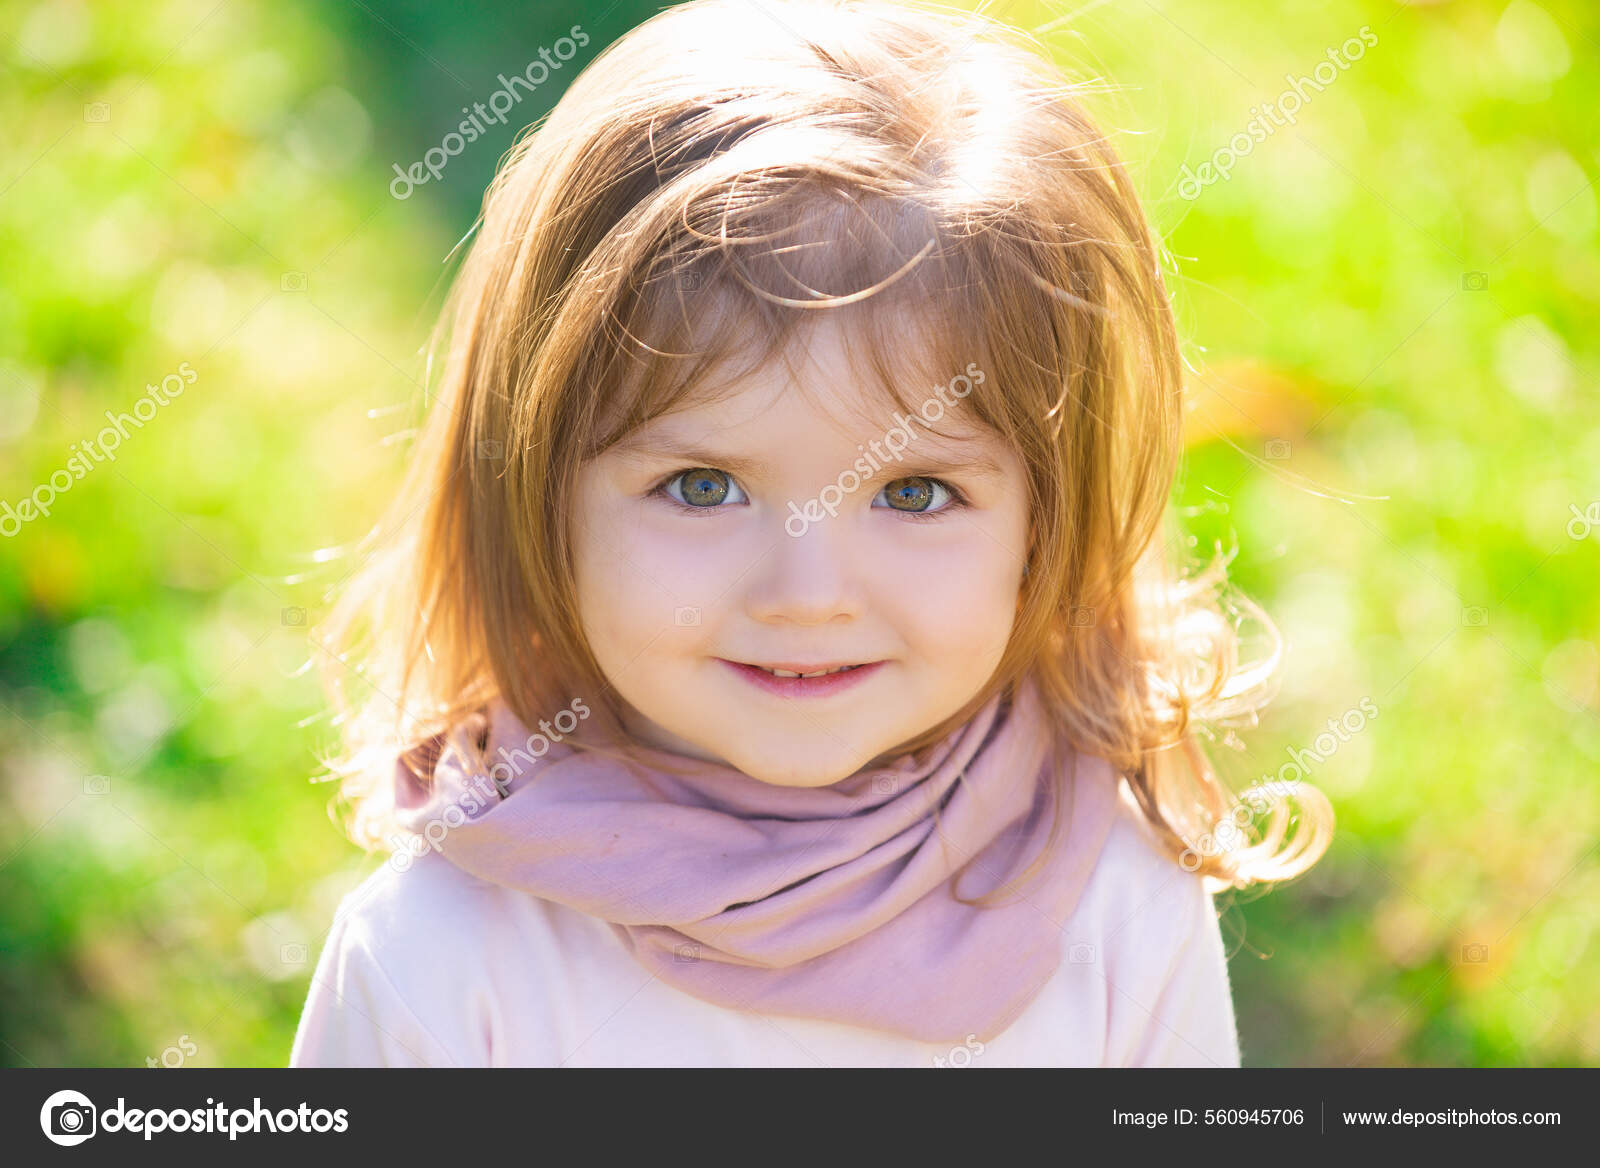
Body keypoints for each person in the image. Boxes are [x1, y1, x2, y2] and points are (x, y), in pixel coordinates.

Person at [290, 0, 1331, 1068]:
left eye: (914, 494)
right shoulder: (442, 959)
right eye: (702, 487)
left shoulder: (1116, 905)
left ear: (1044, 527)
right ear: (533, 493)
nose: (806, 594)